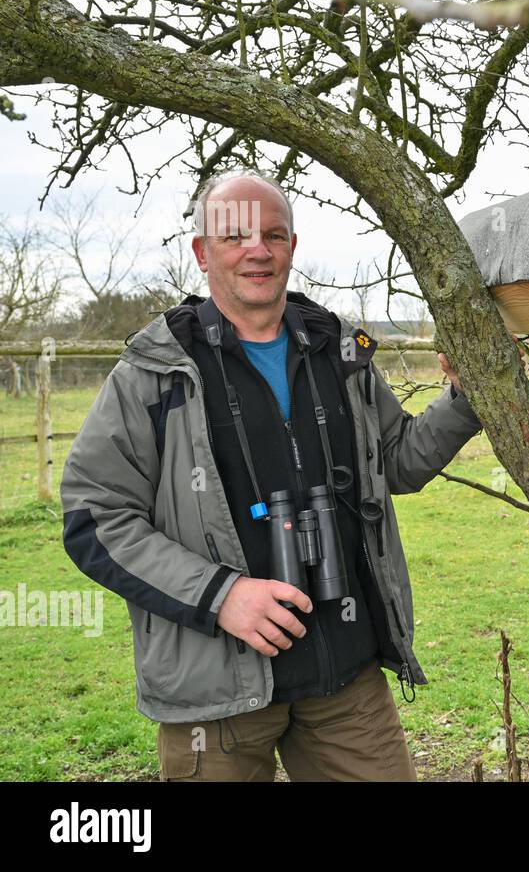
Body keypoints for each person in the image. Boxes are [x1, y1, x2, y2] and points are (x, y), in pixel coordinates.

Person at [61, 169, 483, 781]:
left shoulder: (335, 349)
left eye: (274, 235)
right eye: (235, 237)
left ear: (292, 247)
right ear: (203, 253)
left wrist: (465, 398)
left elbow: (398, 461)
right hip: (216, 690)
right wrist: (221, 595)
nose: (258, 250)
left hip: (344, 674)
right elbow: (93, 519)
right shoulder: (155, 372)